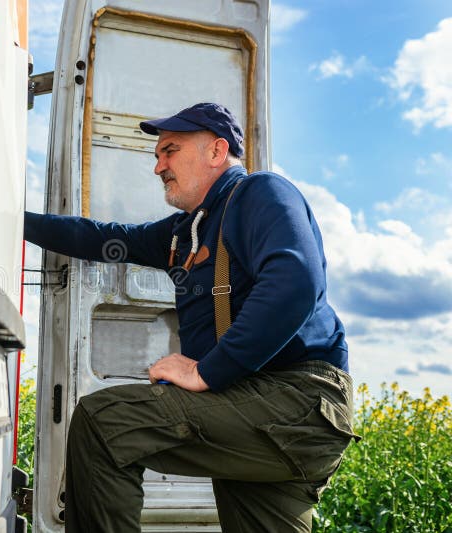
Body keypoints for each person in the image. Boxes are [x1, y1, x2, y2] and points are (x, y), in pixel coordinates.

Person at [23, 103, 360, 532]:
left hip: (296, 400)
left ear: (217, 152)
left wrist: (209, 371)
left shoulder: (260, 193)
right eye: (157, 155)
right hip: (266, 414)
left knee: (104, 423)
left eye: (170, 150)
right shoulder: (185, 231)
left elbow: (294, 283)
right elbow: (106, 237)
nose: (158, 166)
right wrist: (14, 220)